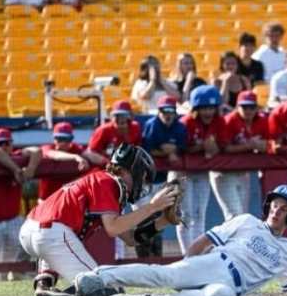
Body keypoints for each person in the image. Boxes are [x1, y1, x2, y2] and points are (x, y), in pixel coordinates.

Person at [92, 185, 287, 296]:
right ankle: (102, 275)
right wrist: (189, 269)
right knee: (167, 276)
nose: (276, 211)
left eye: (284, 209)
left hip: (231, 286)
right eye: (274, 205)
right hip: (214, 263)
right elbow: (202, 242)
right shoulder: (247, 220)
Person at [20, 144, 178, 296]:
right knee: (110, 293)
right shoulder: (109, 182)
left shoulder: (102, 180)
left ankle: (45, 288)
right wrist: (153, 207)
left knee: (100, 286)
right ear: (131, 170)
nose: (143, 182)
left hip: (32, 231)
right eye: (143, 175)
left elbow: (130, 238)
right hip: (52, 232)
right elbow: (113, 228)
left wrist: (163, 221)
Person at [0, 128, 42, 283]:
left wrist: (30, 169)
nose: (3, 146)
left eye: (7, 142)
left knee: (24, 248)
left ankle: (14, 282)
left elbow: (37, 151)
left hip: (12, 221)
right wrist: (16, 170)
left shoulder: (17, 155)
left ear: (12, 143)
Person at [178, 85, 225, 253]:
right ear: (196, 108)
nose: (208, 112)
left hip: (202, 173)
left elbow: (221, 146)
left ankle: (197, 254)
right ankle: (186, 255)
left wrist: (213, 148)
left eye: (211, 108)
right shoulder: (186, 122)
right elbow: (180, 148)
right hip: (181, 174)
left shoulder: (218, 122)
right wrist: (201, 147)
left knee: (199, 215)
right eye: (204, 108)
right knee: (186, 215)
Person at [140, 95, 187, 257]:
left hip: (164, 181)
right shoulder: (151, 125)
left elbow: (181, 148)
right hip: (145, 181)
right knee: (144, 218)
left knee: (159, 219)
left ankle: (156, 257)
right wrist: (166, 151)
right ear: (158, 111)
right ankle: (144, 258)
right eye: (164, 110)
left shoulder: (180, 127)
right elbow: (148, 149)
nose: (167, 114)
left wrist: (171, 151)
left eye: (171, 111)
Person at [210, 90, 266, 222]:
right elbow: (225, 148)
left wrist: (263, 146)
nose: (248, 110)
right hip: (223, 173)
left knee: (242, 216)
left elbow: (267, 144)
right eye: (244, 107)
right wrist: (250, 145)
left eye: (251, 107)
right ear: (237, 107)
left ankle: (234, 243)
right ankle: (230, 243)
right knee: (234, 217)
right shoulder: (228, 121)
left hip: (243, 173)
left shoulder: (260, 120)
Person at [38, 121, 90, 202]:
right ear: (54, 139)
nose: (63, 143)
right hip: (46, 200)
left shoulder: (76, 149)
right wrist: (75, 157)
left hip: (67, 200)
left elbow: (89, 154)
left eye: (67, 139)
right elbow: (55, 155)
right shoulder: (47, 147)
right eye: (59, 139)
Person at [83, 100, 142, 166]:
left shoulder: (135, 127)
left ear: (130, 116)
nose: (120, 118)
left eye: (124, 115)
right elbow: (89, 153)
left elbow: (138, 149)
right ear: (112, 117)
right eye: (117, 115)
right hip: (105, 167)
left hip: (128, 166)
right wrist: (107, 162)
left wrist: (126, 136)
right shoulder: (103, 130)